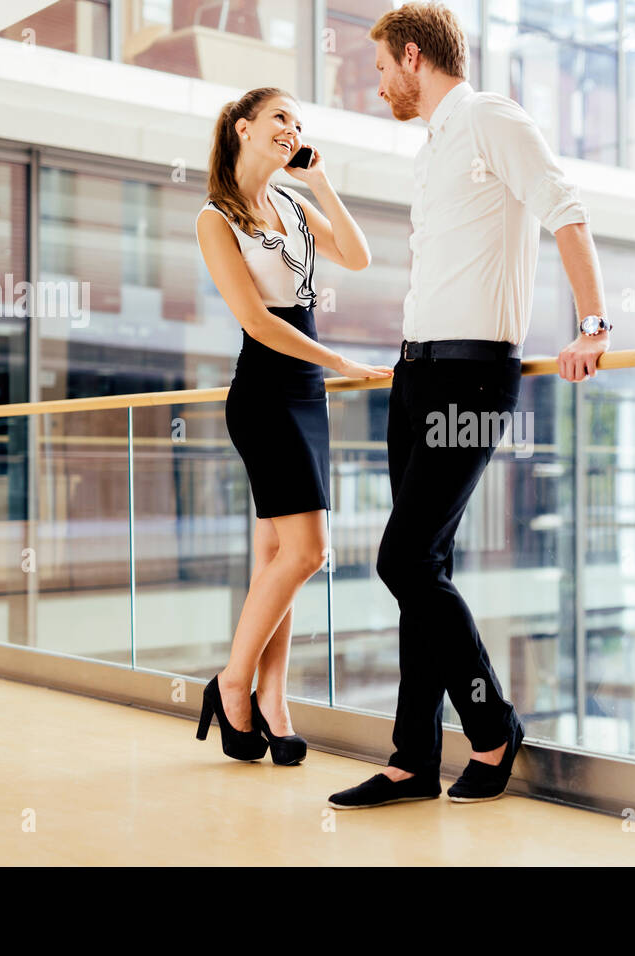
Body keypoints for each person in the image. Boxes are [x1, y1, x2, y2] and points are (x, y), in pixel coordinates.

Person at [328, 3, 612, 809]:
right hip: (416, 375)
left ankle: (492, 729)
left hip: (474, 378)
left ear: (414, 57)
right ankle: (412, 759)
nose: (377, 84)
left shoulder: (491, 118)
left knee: (402, 561)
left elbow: (566, 210)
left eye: (381, 69)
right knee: (427, 567)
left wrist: (591, 325)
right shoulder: (435, 144)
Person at [193, 86, 393, 764]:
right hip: (266, 388)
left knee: (276, 559)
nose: (292, 128)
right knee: (309, 552)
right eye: (281, 117)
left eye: (298, 122)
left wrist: (323, 181)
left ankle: (271, 703)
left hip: (307, 389)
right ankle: (232, 683)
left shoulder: (292, 202)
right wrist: (338, 360)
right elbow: (255, 319)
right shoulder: (216, 217)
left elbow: (358, 257)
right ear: (243, 128)